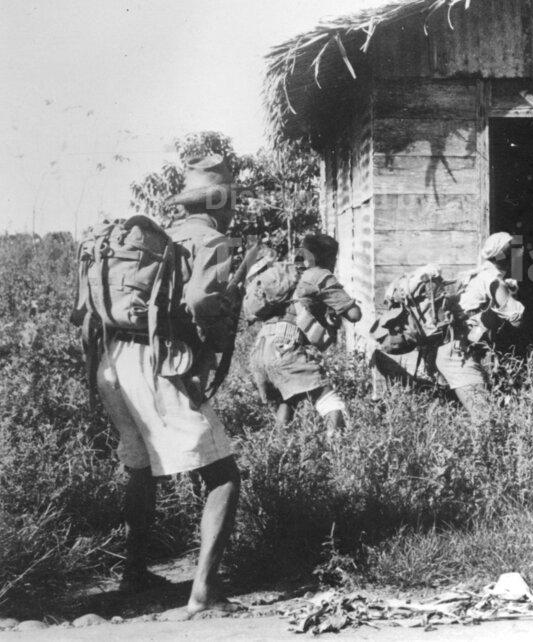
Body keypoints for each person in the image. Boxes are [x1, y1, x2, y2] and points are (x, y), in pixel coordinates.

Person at [94, 154, 242, 615]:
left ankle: (134, 573)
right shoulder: (213, 239)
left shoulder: (163, 237)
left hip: (113, 359)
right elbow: (200, 301)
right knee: (223, 475)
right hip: (158, 361)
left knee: (140, 467)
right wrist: (207, 336)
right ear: (220, 201)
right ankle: (202, 594)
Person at [251, 233, 361, 434]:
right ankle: (339, 457)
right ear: (327, 257)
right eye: (334, 258)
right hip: (285, 348)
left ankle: (278, 454)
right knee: (331, 402)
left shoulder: (288, 274)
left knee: (288, 400)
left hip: (261, 348)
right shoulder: (319, 275)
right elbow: (354, 315)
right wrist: (340, 302)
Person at [434, 231, 525, 420]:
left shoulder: (473, 275)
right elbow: (517, 320)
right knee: (484, 417)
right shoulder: (494, 282)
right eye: (515, 253)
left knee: (464, 413)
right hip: (459, 356)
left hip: (452, 349)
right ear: (506, 258)